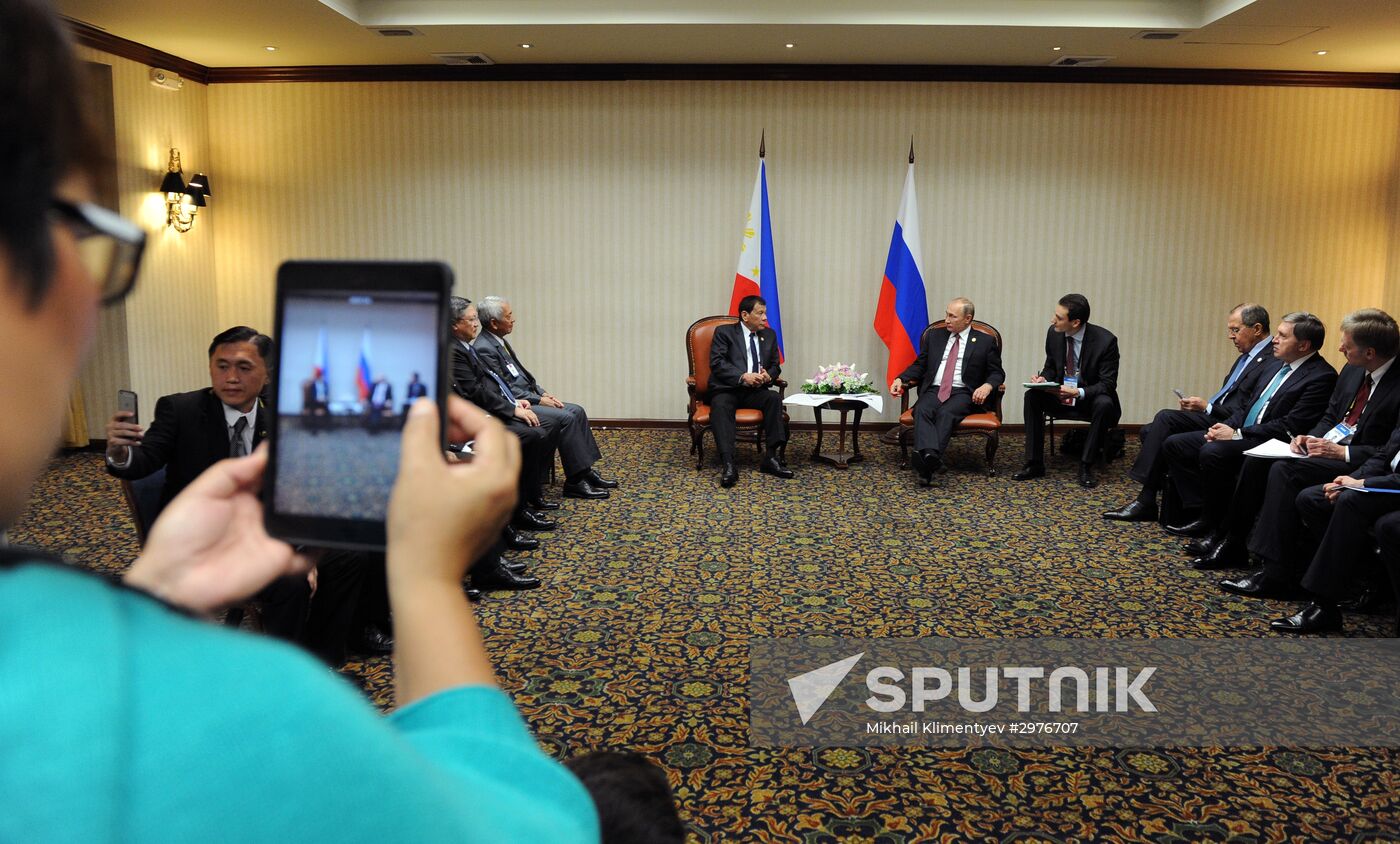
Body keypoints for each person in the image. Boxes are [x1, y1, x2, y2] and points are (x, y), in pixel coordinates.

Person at [0, 2, 597, 838]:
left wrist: (156, 604)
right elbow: (528, 825)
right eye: (91, 240)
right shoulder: (251, 725)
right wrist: (428, 580)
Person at [1196, 309, 1400, 571]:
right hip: (1328, 450)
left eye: (1346, 346)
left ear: (1370, 353)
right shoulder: (1352, 369)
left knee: (1284, 471)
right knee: (1257, 460)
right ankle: (1234, 542)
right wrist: (1310, 438)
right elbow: (1331, 415)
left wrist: (1341, 453)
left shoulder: (1393, 384)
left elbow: (1389, 449)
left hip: (1362, 461)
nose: (1339, 349)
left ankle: (1275, 569)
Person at [1160, 312, 1337, 544]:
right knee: (1176, 444)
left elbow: (1290, 425)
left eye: (1282, 336)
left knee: (1213, 452)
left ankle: (1218, 527)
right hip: (1247, 431)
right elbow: (1248, 407)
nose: (1274, 339)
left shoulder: (1321, 376)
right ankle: (1203, 512)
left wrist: (1236, 434)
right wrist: (1225, 426)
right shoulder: (1277, 366)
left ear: (1303, 345)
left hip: (1272, 441)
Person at [1103, 303, 1276, 522]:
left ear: (1257, 329)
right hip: (1215, 414)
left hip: (1230, 423)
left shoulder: (1270, 360)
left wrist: (1207, 408)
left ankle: (1148, 498)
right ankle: (1175, 503)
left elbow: (1246, 408)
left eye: (1235, 330)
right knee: (1150, 430)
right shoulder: (1247, 355)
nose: (1230, 336)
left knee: (1165, 419)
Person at [449, 295, 553, 582]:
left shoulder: (464, 347)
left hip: (474, 420)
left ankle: (516, 515)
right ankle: (500, 541)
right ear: (453, 325)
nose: (476, 323)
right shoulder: (451, 352)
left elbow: (489, 384)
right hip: (461, 429)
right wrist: (503, 412)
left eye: (475, 318)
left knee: (531, 436)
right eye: (470, 319)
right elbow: (471, 394)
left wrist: (513, 404)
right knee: (517, 442)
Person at [475, 295, 616, 500]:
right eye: (509, 315)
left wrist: (542, 393)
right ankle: (575, 482)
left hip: (530, 397)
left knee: (576, 410)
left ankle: (584, 471)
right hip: (516, 404)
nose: (513, 319)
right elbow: (504, 388)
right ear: (494, 323)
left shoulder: (498, 342)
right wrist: (537, 400)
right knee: (566, 417)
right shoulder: (484, 348)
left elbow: (522, 376)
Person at [889, 297, 1004, 486]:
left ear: (968, 319)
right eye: (946, 314)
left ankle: (925, 465)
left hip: (964, 392)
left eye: (952, 316)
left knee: (946, 413)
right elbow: (920, 365)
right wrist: (900, 379)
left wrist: (987, 386)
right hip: (935, 389)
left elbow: (997, 372)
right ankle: (932, 457)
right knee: (922, 410)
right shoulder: (935, 336)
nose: (946, 320)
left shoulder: (985, 341)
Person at [1013, 293, 1120, 489]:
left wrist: (1078, 392)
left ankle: (1086, 465)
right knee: (1033, 396)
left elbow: (1107, 384)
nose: (1053, 320)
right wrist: (1043, 378)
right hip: (1061, 395)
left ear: (1076, 322)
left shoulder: (1106, 341)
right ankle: (1034, 463)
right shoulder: (1054, 333)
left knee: (1105, 403)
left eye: (1059, 318)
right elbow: (1051, 366)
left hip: (1088, 398)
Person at [707, 295, 793, 488]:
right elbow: (717, 363)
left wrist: (768, 375)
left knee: (773, 399)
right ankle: (728, 464)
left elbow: (775, 366)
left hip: (755, 391)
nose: (765, 318)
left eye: (765, 313)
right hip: (728, 388)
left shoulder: (769, 335)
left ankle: (770, 458)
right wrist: (743, 376)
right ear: (745, 315)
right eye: (760, 313)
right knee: (720, 405)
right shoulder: (724, 332)